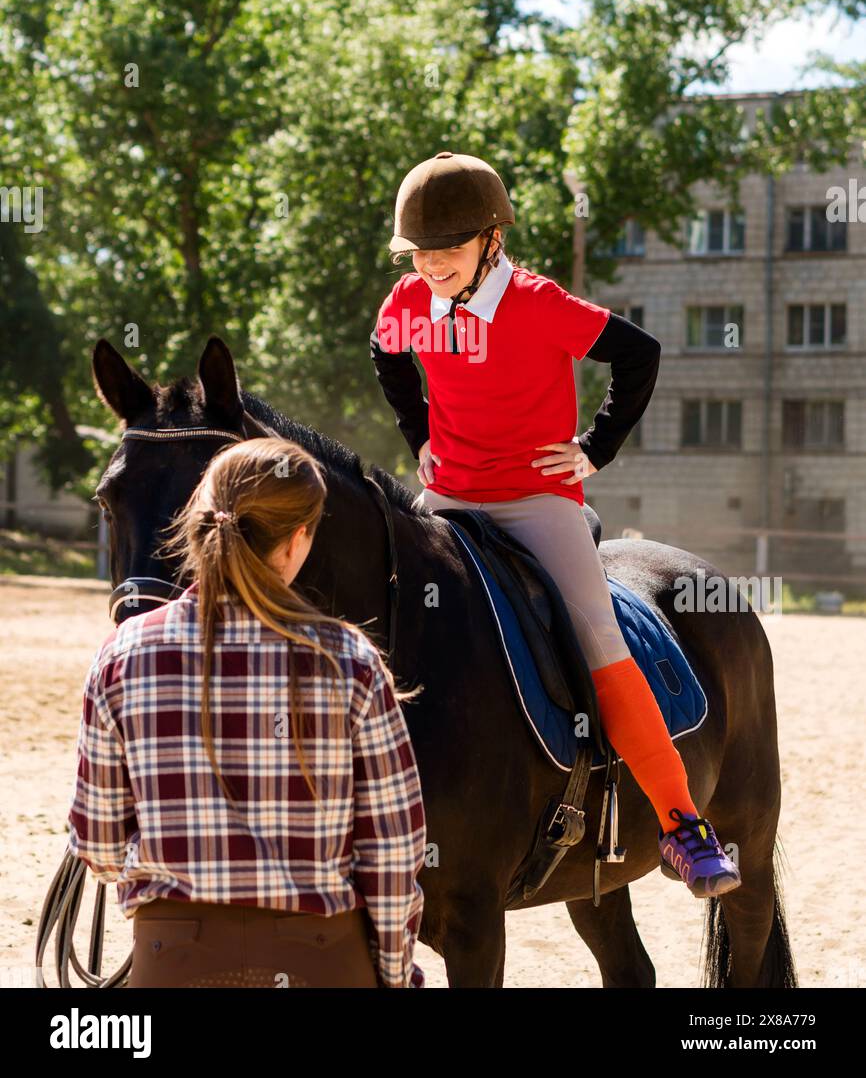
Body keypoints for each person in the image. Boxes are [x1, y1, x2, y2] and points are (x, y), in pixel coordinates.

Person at [370, 150, 741, 899]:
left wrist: (594, 450)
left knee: (602, 644)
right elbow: (387, 357)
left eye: (448, 249)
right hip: (448, 498)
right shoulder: (408, 302)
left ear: (492, 241)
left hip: (539, 502)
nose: (432, 265)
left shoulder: (539, 303)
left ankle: (682, 828)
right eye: (421, 252)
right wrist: (420, 438)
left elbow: (640, 354)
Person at [67, 436, 427, 986]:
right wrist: (396, 975)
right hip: (322, 957)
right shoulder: (351, 661)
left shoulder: (123, 654)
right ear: (297, 538)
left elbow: (98, 846)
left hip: (173, 957)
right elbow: (395, 850)